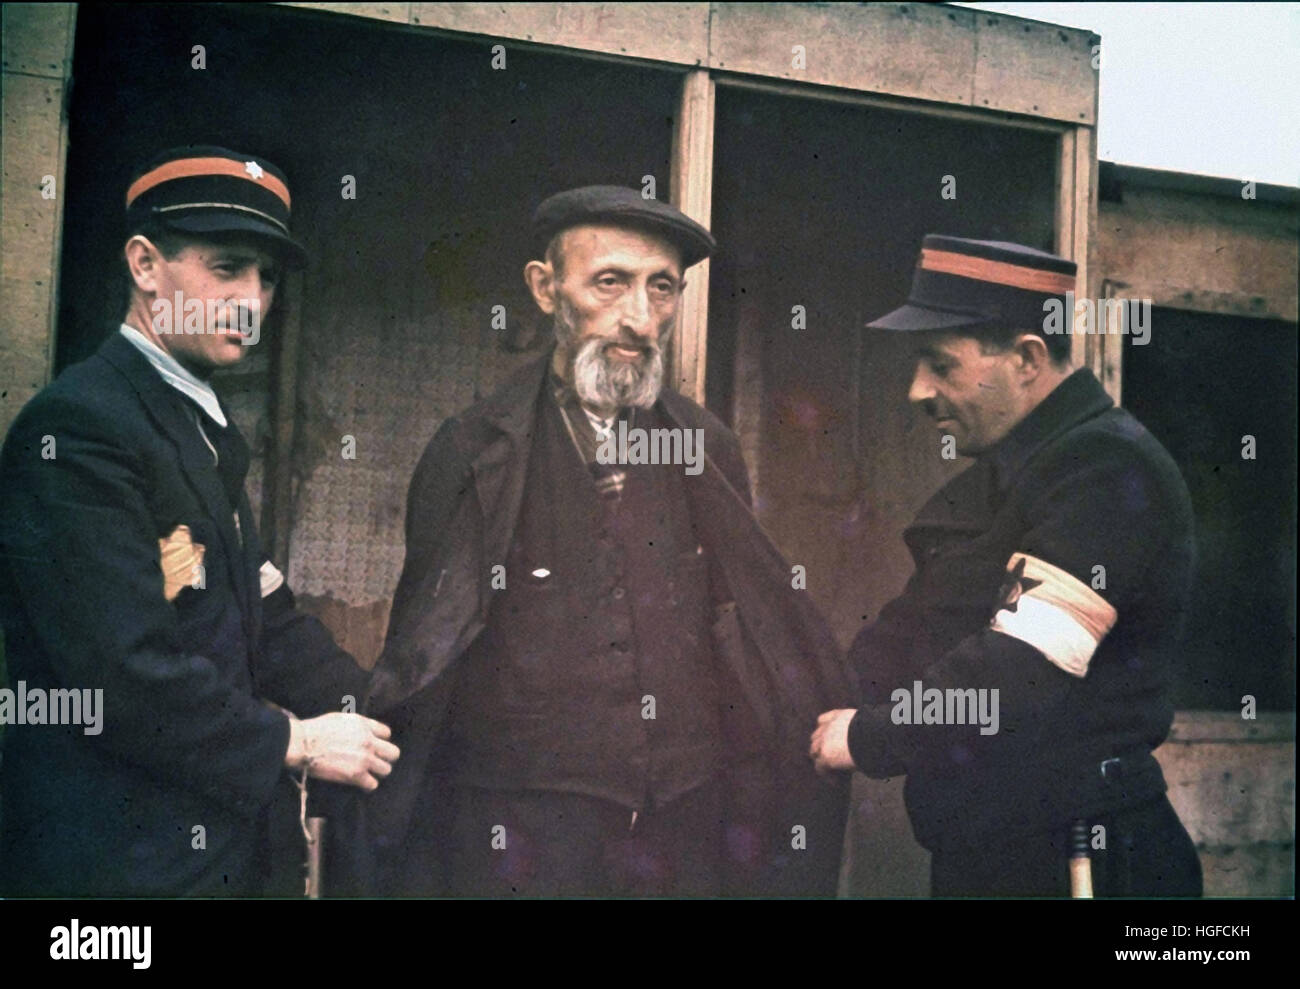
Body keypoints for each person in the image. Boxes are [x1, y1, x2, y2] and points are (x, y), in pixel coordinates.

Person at [360, 186, 850, 897]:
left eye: (662, 289)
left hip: (678, 833)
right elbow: (428, 656)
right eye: (610, 283)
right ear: (544, 286)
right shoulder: (471, 451)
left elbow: (747, 637)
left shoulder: (704, 448)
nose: (638, 318)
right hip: (522, 838)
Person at [0, 146, 399, 897]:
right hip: (114, 876)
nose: (252, 299)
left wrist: (391, 714)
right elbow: (122, 676)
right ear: (145, 265)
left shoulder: (199, 429)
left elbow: (268, 624)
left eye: (268, 277)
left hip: (210, 862)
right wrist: (299, 740)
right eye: (227, 268)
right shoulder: (83, 428)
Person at [809, 235, 1202, 897]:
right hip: (991, 855)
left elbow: (1017, 667)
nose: (916, 390)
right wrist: (806, 698)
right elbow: (911, 631)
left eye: (940, 364)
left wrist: (870, 737)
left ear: (1026, 358)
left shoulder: (1106, 469)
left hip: (1081, 861)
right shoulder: (1003, 478)